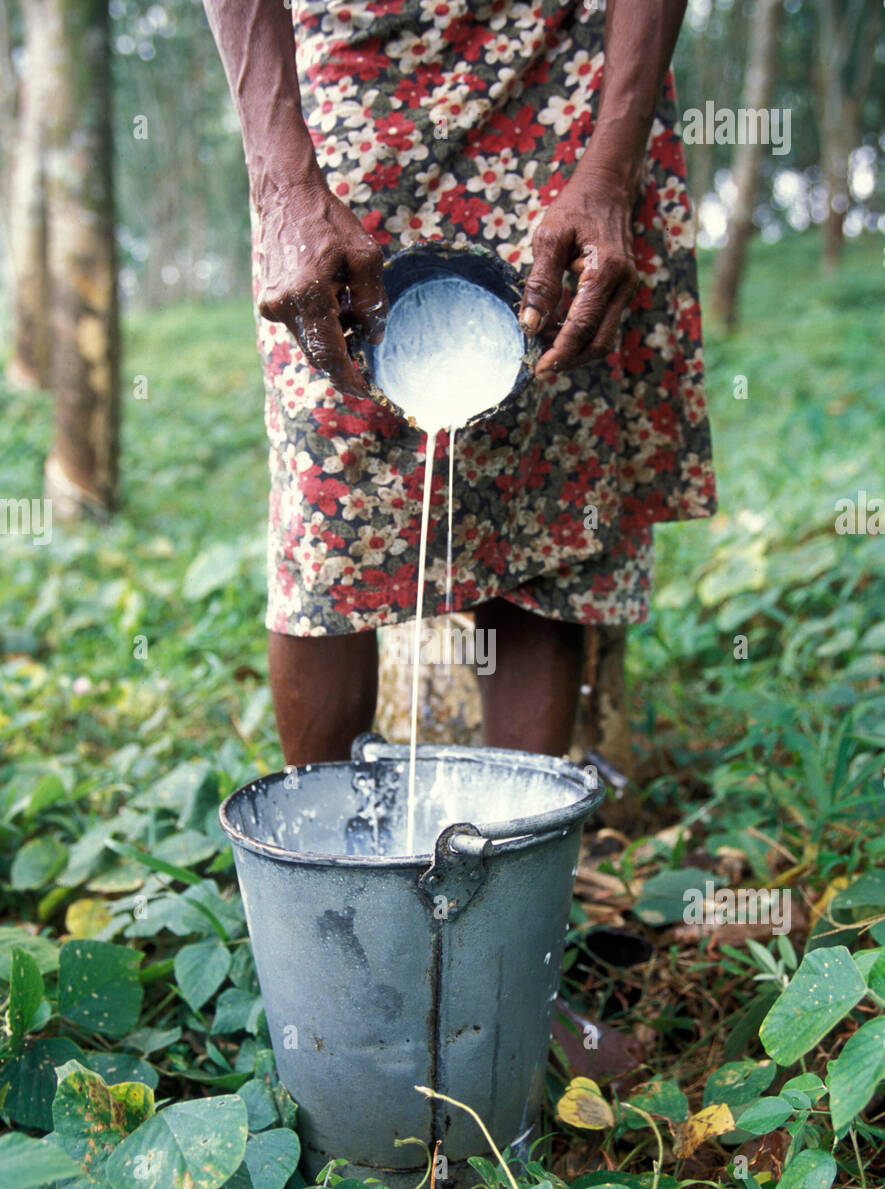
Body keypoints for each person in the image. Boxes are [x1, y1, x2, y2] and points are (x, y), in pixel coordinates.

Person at [204, 0, 715, 766]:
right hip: (352, 66)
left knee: (544, 472)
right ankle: (321, 873)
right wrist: (283, 187)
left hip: (568, 64)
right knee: (332, 490)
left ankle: (514, 860)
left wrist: (611, 171)